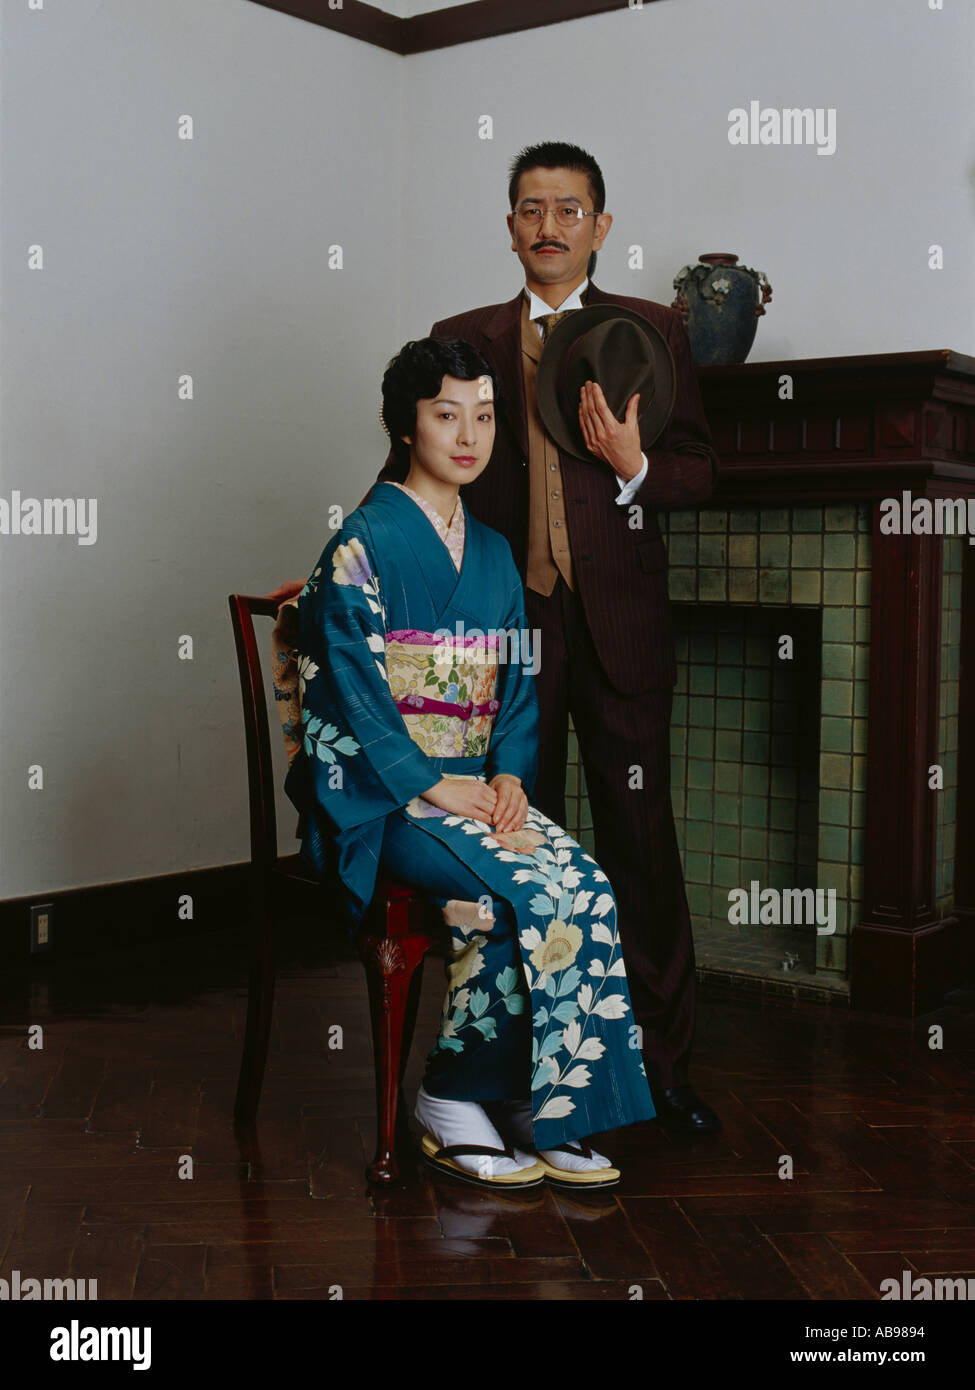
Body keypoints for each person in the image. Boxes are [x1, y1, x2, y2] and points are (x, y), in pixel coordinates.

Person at [370, 141, 722, 1134]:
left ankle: (660, 1071)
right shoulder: (462, 335)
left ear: (601, 228)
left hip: (620, 628)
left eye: (570, 208)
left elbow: (701, 471)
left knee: (639, 852)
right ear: (510, 224)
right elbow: (417, 461)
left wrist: (636, 459)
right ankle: (524, 1078)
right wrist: (338, 562)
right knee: (523, 851)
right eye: (531, 208)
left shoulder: (651, 329)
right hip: (504, 638)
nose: (549, 225)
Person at [284, 337, 655, 1190]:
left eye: (484, 417)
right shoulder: (360, 544)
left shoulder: (490, 551)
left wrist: (509, 776)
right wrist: (427, 782)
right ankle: (449, 1099)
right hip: (389, 798)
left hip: (475, 789)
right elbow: (344, 686)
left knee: (583, 881)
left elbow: (518, 683)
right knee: (505, 890)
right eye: (446, 414)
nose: (468, 435)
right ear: (404, 424)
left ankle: (543, 1102)